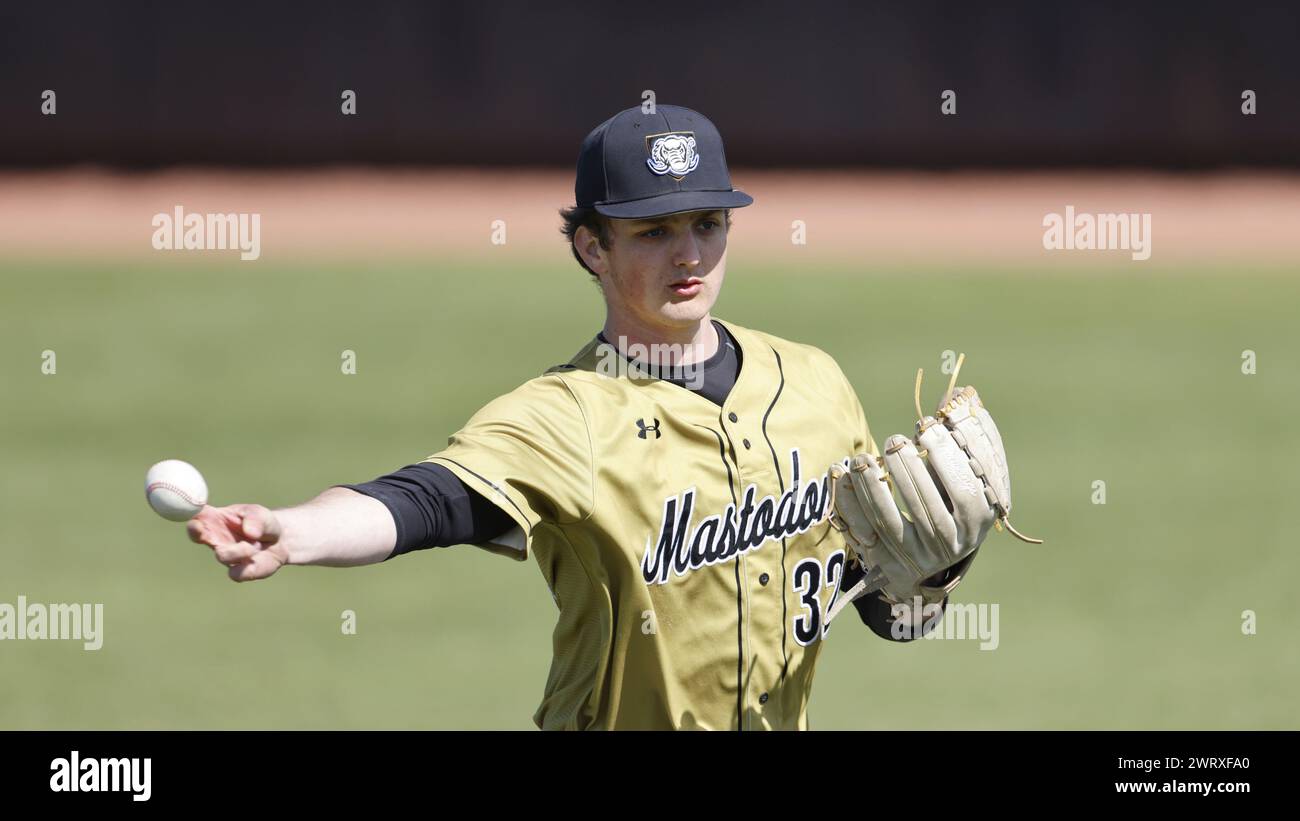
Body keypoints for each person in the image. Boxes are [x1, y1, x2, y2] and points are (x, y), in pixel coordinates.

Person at [187, 104, 985, 730]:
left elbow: (889, 614)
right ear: (591, 248)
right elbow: (425, 500)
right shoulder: (565, 414)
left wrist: (939, 574)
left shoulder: (814, 384)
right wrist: (295, 531)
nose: (689, 256)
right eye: (655, 231)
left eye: (708, 224)